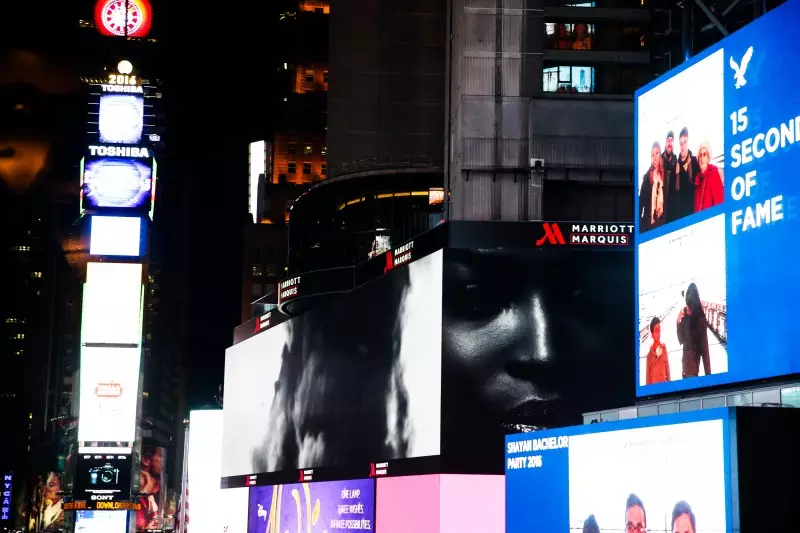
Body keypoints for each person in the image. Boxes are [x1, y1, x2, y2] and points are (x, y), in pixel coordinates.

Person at [677, 283, 711, 378]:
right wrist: (678, 321)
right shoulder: (685, 316)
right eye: (686, 304)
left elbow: (705, 350)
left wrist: (709, 375)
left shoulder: (700, 320)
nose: (686, 307)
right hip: (684, 369)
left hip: (693, 372)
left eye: (689, 305)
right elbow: (680, 339)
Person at [671, 127, 699, 222]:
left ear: (688, 142)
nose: (683, 146)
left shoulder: (695, 162)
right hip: (680, 218)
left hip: (694, 214)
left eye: (685, 142)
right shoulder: (675, 168)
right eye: (681, 143)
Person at [639, 141, 666, 232]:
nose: (654, 158)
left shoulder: (665, 176)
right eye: (652, 155)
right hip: (649, 224)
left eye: (657, 153)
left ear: (660, 155)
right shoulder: (647, 177)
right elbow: (641, 203)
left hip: (662, 222)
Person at [694, 141, 724, 212]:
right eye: (700, 155)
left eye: (704, 155)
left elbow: (719, 202)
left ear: (708, 158)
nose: (702, 158)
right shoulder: (697, 180)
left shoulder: (713, 173)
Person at [646, 316, 670, 384]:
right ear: (652, 334)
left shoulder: (664, 348)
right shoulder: (649, 356)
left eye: (659, 330)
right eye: (656, 330)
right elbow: (648, 381)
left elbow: (667, 371)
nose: (659, 333)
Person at [662, 131, 678, 220]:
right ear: (665, 142)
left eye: (671, 140)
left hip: (671, 205)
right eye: (668, 140)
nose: (669, 143)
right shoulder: (659, 159)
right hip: (661, 203)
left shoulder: (676, 160)